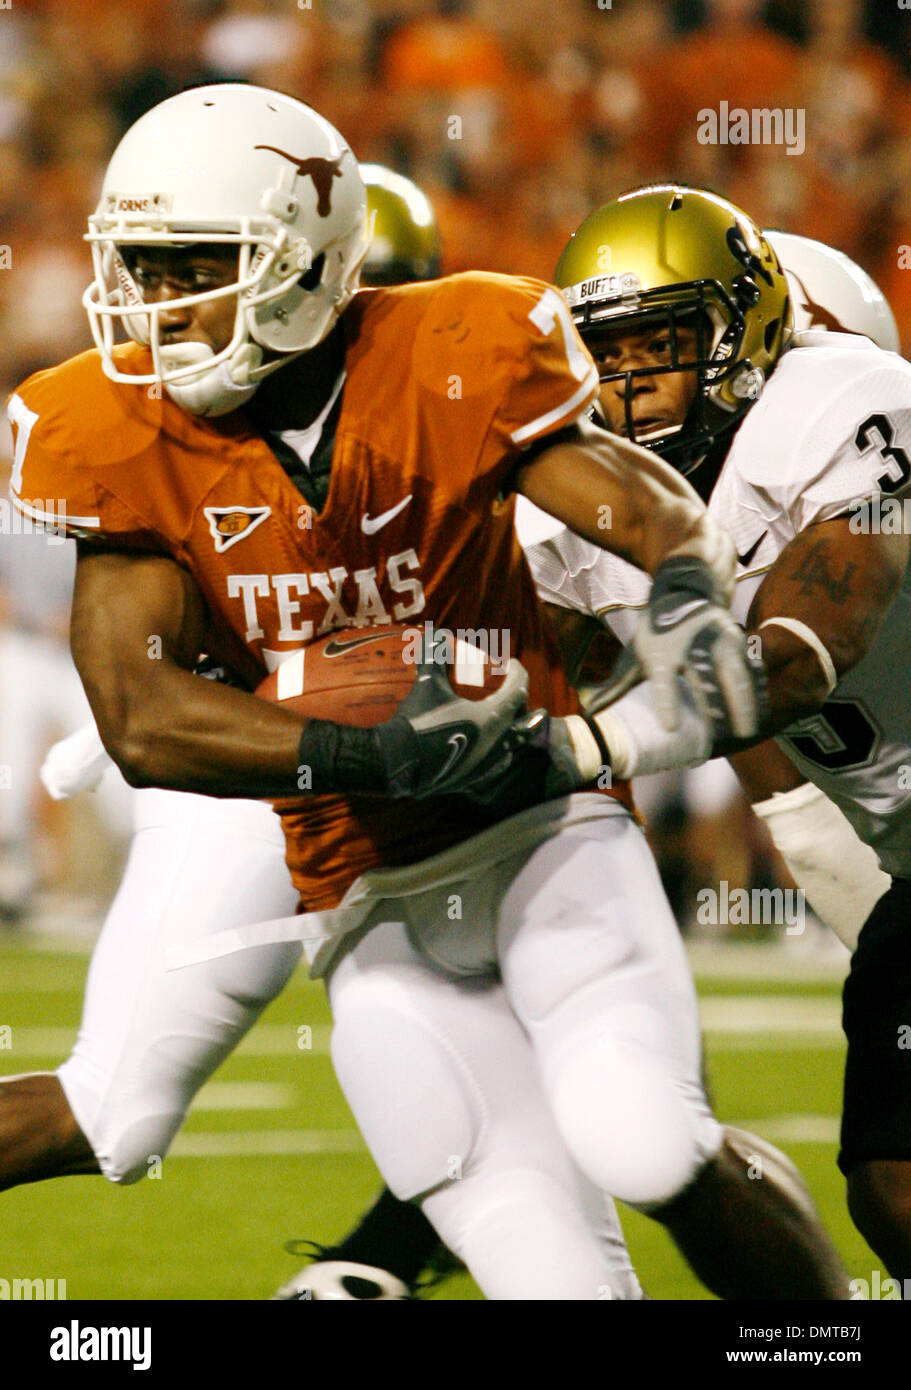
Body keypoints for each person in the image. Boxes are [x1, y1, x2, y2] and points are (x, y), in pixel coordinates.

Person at [3, 88, 828, 1301]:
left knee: (640, 1135)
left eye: (197, 266)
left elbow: (641, 505)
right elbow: (137, 715)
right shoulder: (114, 428)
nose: (157, 306)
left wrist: (689, 592)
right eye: (142, 266)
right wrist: (373, 752)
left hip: (546, 829)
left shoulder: (455, 348)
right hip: (365, 894)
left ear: (303, 262)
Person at [511, 183, 911, 1281]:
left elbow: (790, 660)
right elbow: (523, 669)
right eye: (606, 349)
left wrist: (595, 746)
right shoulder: (578, 496)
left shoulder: (846, 403)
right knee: (889, 1180)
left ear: (741, 330)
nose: (627, 377)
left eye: (658, 341)